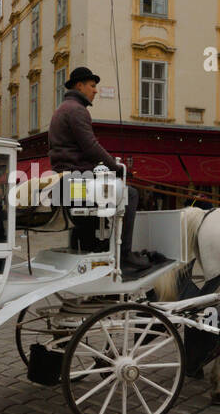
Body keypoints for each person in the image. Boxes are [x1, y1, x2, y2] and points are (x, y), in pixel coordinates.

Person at [48, 66, 150, 275]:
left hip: (66, 184)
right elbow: (91, 147)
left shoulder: (63, 109)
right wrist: (117, 167)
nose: (95, 91)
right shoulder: (77, 110)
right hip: (75, 185)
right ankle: (124, 255)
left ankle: (88, 247)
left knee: (105, 202)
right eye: (92, 86)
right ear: (80, 85)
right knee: (129, 194)